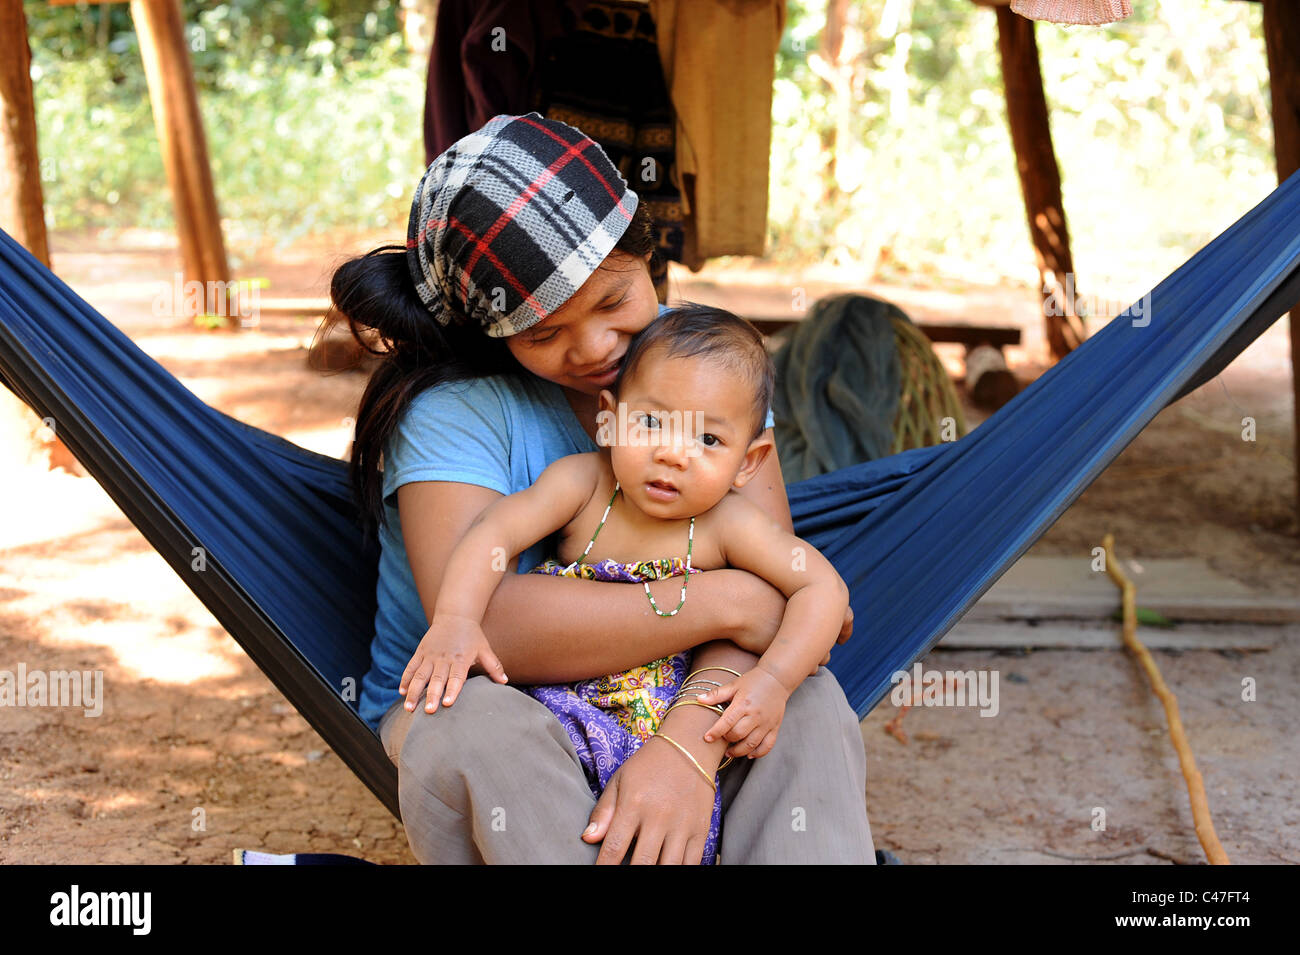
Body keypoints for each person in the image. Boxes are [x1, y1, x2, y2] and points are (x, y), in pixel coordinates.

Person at [329, 111, 876, 864]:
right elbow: (496, 630)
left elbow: (777, 599)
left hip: (679, 690)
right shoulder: (456, 414)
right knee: (473, 723)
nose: (591, 349)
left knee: (807, 704)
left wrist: (686, 746)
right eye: (542, 333)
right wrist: (722, 599)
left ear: (646, 257)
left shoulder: (707, 365)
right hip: (508, 700)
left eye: (613, 302)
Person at [396, 304, 852, 864]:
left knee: (813, 697)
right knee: (483, 728)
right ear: (609, 419)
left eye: (707, 439)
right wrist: (458, 619)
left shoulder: (730, 524)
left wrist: (776, 681)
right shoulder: (584, 484)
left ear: (749, 461)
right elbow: (494, 535)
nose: (671, 453)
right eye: (652, 423)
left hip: (681, 706)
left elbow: (822, 590)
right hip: (563, 707)